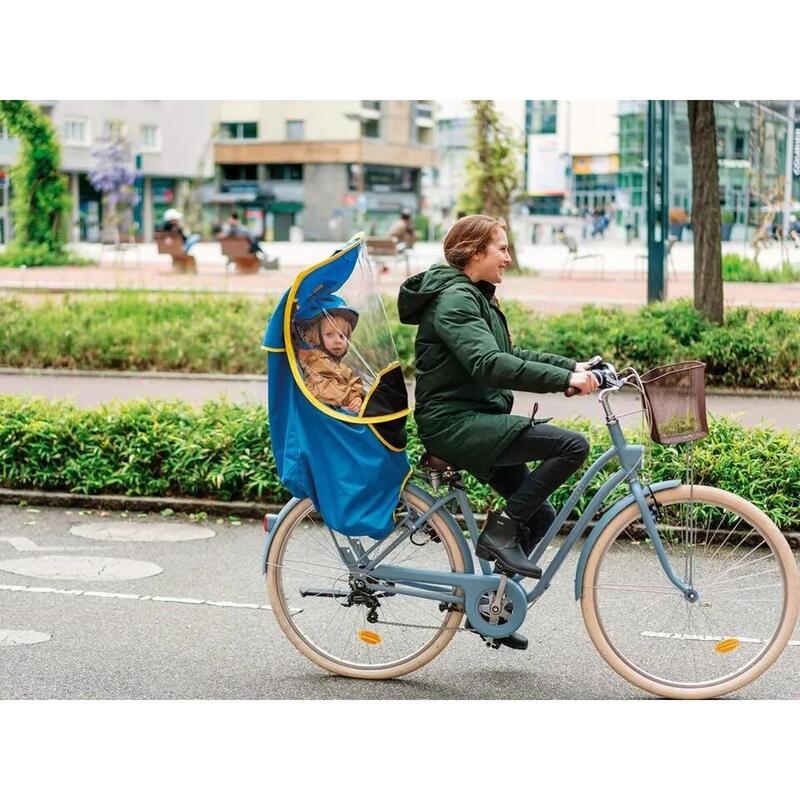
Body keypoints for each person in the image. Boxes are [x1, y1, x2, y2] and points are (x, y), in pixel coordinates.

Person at [398, 214, 599, 650]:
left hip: (474, 418)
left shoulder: (475, 296)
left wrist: (572, 368)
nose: (508, 257)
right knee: (571, 446)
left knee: (540, 516)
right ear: (474, 253)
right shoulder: (454, 300)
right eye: (502, 249)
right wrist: (561, 382)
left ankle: (491, 606)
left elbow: (507, 353)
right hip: (455, 423)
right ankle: (499, 534)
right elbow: (489, 365)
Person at [294, 304, 364, 414]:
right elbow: (322, 388)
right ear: (314, 336)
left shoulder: (338, 365)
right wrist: (350, 398)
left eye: (342, 336)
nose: (338, 341)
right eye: (330, 334)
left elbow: (353, 381)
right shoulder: (314, 361)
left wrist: (357, 397)